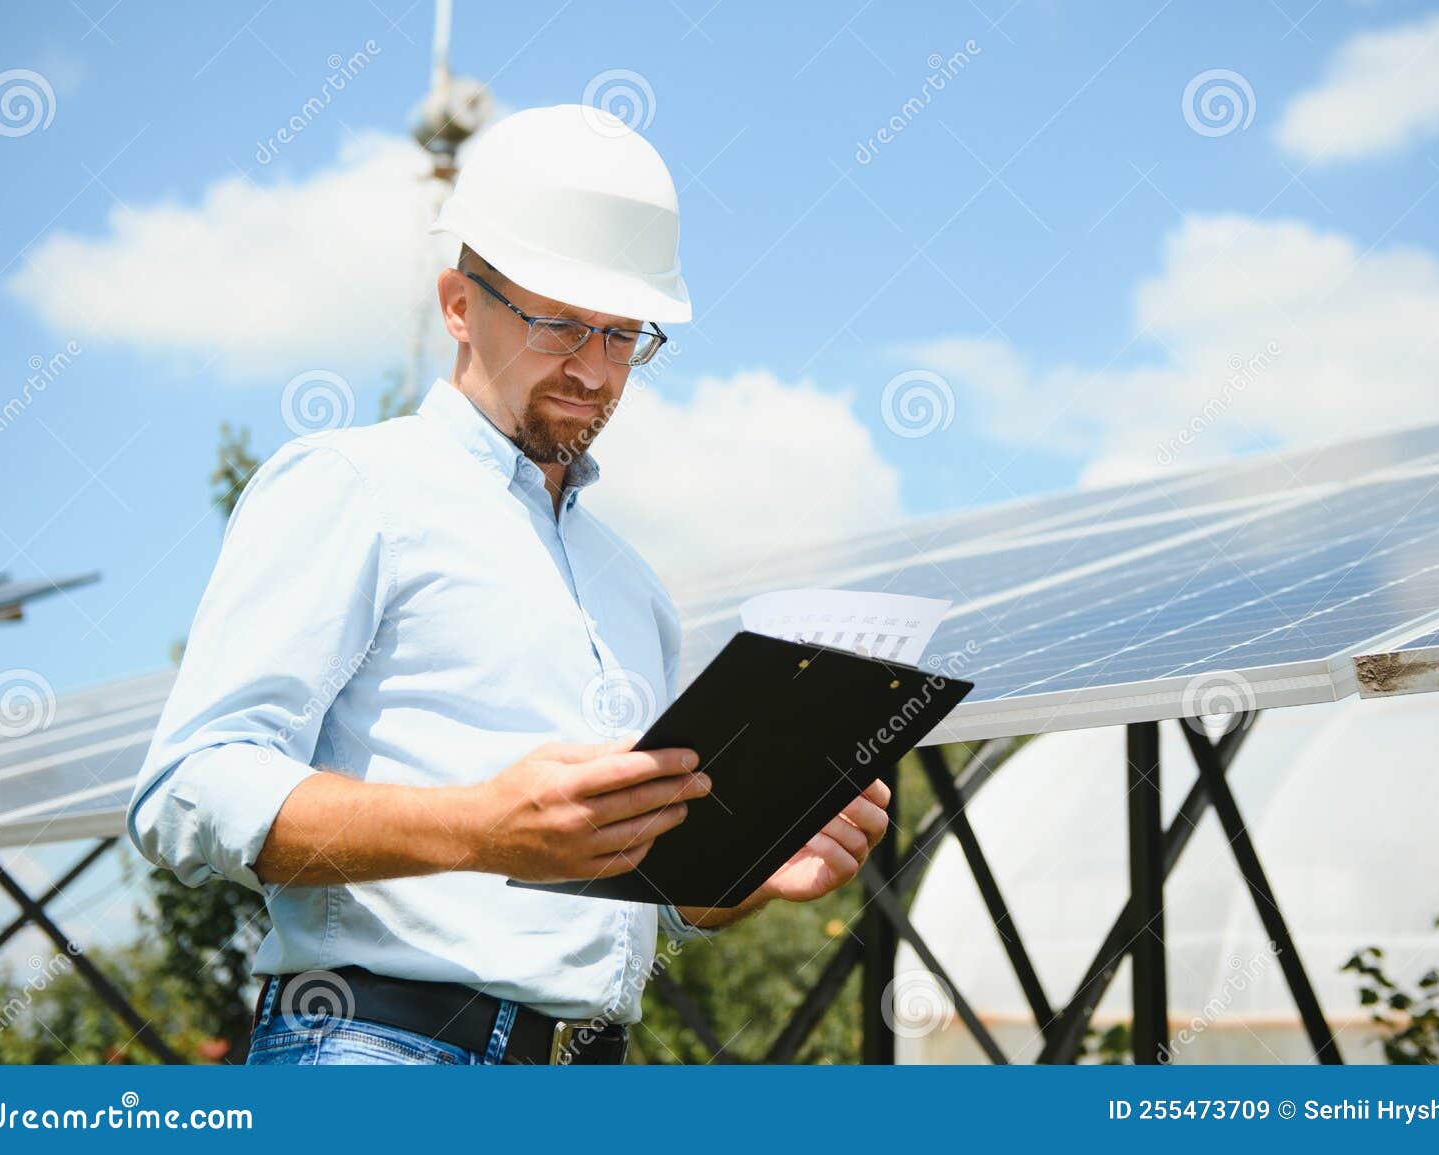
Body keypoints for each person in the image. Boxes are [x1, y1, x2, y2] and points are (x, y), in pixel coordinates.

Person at [127, 105, 889, 1066]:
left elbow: (629, 896)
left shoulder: (634, 587)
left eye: (624, 335)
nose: (595, 369)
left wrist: (743, 875)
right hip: (378, 1052)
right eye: (561, 322)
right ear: (458, 302)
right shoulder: (353, 485)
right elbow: (187, 788)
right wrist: (480, 827)